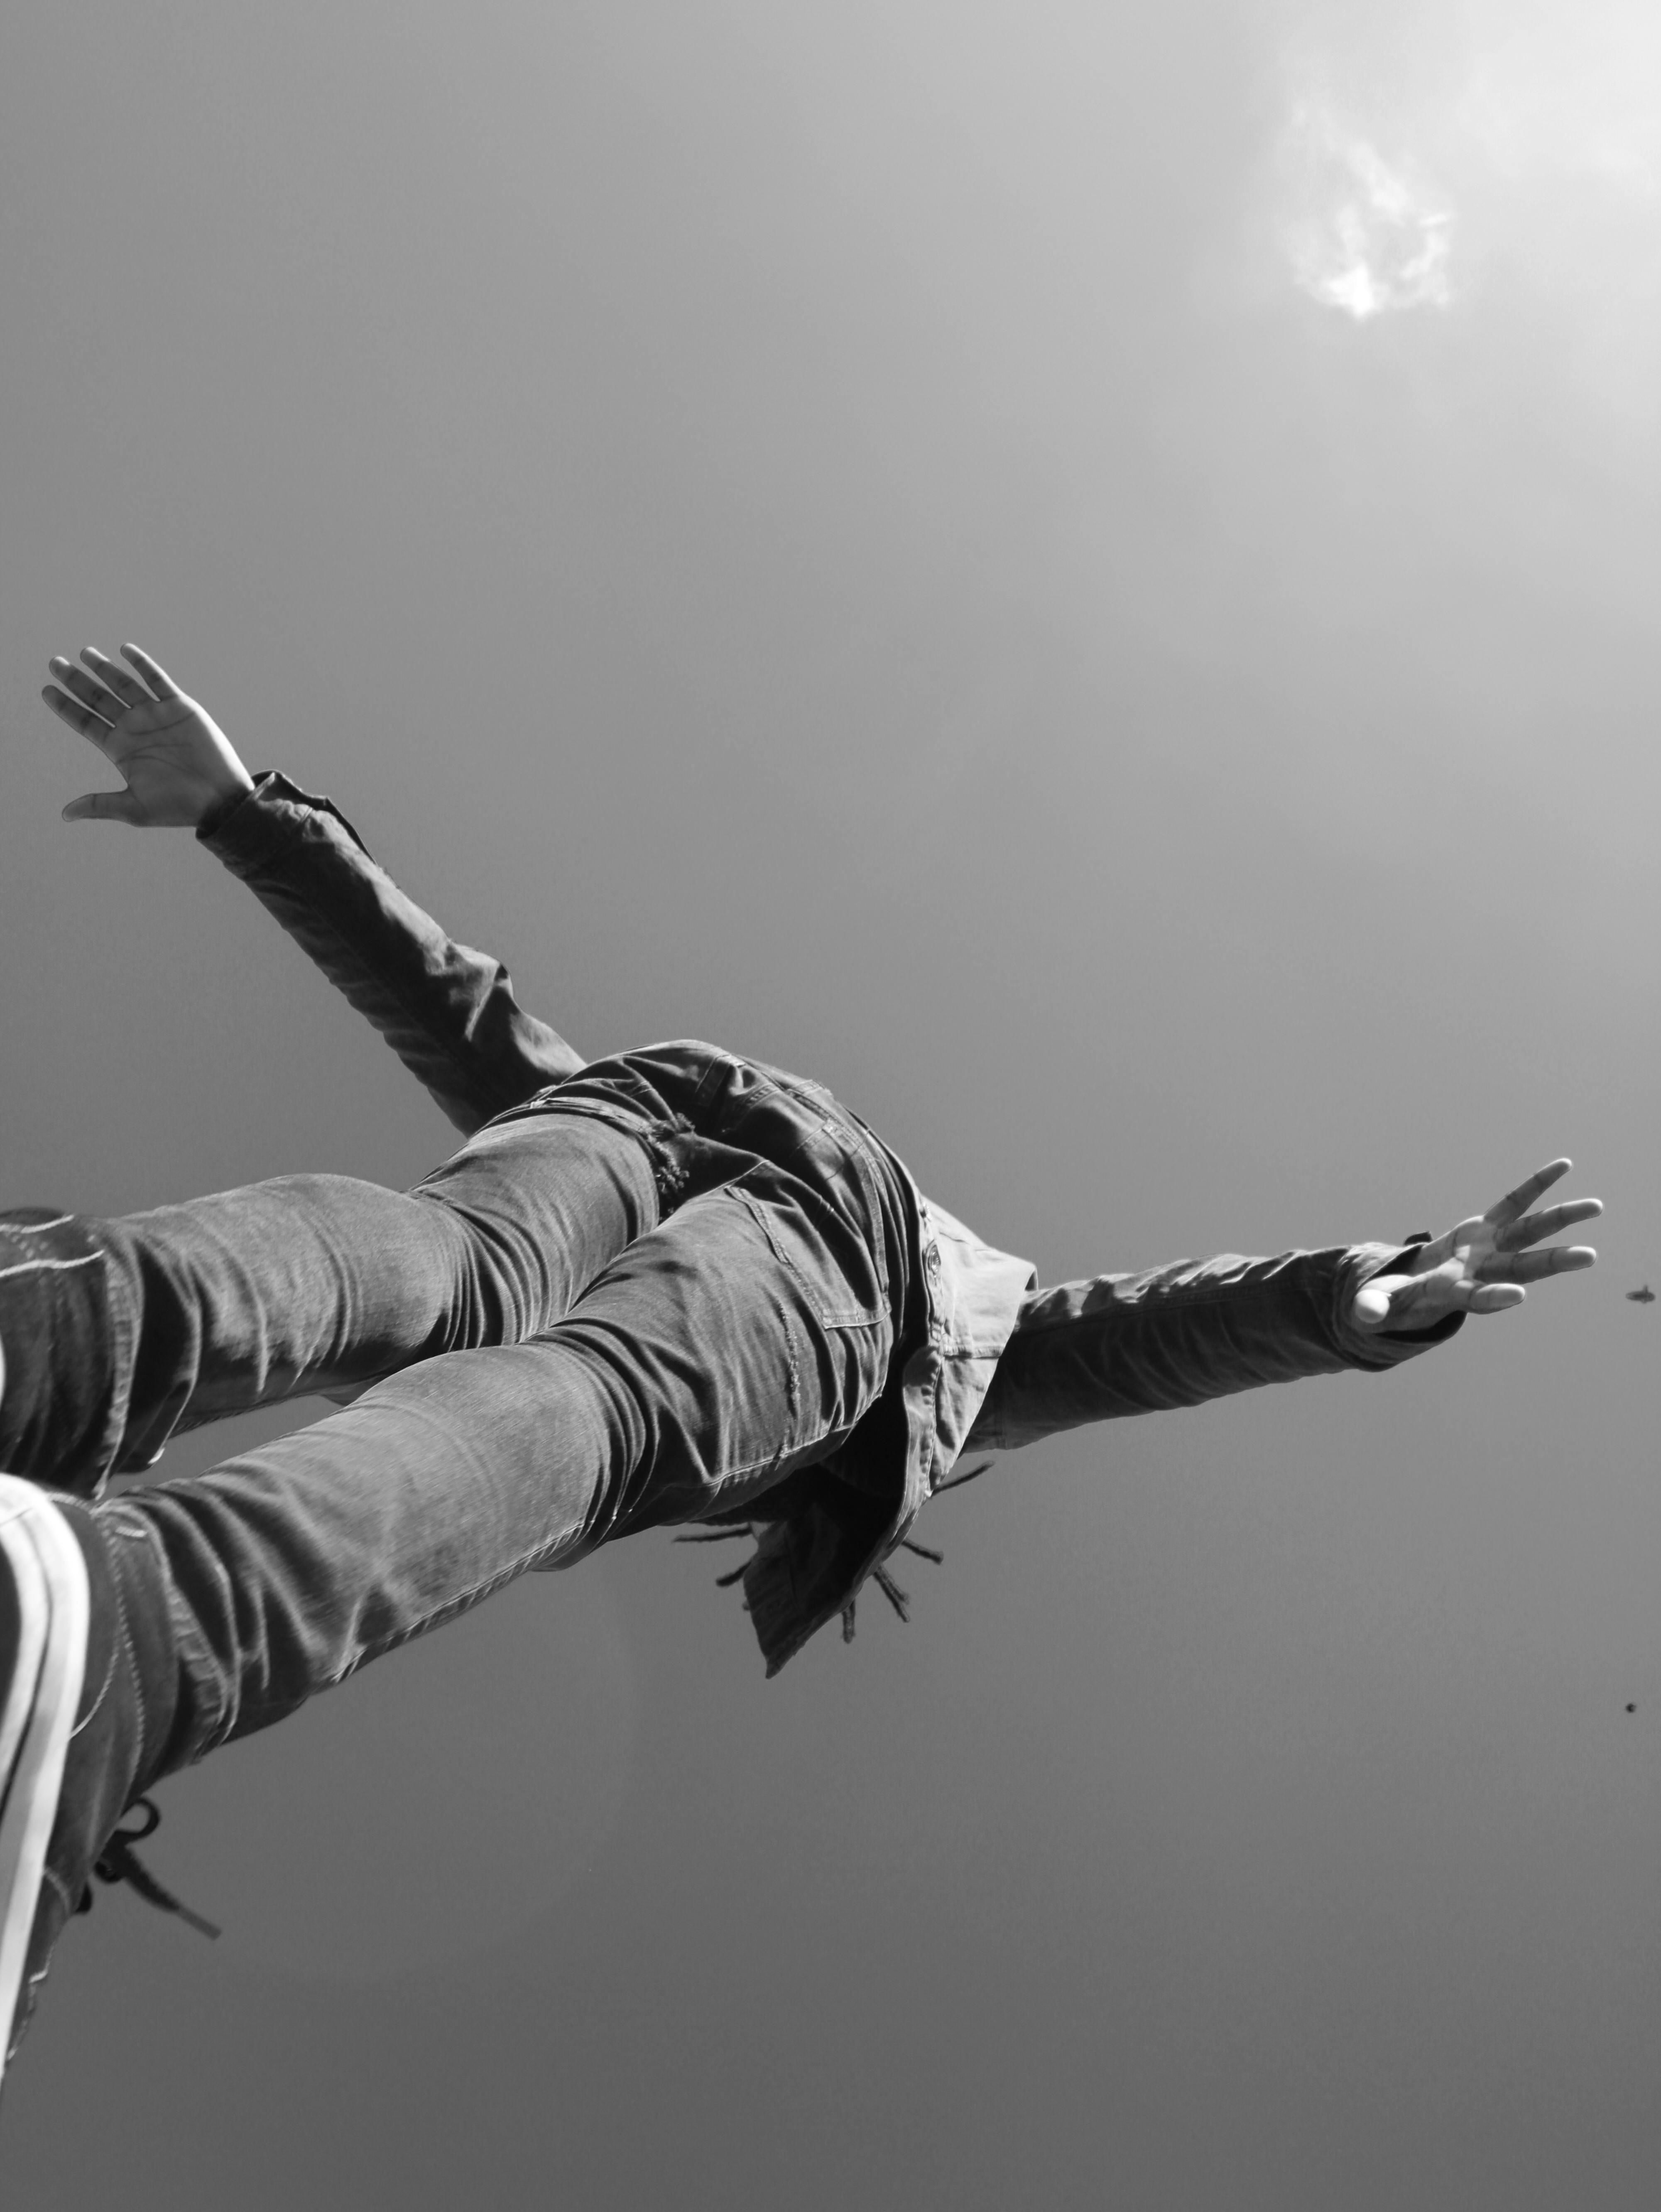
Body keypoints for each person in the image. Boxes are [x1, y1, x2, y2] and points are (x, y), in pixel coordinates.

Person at [0, 644, 1602, 2095]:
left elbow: (466, 1015)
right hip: (761, 1191)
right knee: (577, 1373)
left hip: (707, 1152)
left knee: (491, 1293)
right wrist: (247, 813)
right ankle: (117, 1582)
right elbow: (1146, 1333)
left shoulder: (941, 1333)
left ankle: (67, 1423)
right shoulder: (962, 1348)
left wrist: (1354, 1300)